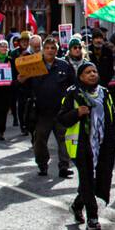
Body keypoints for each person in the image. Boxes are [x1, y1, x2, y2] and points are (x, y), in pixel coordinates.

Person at [57, 61, 115, 230]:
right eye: (88, 72)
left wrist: (114, 138)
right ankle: (93, 217)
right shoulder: (73, 94)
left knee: (97, 179)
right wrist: (77, 113)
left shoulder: (105, 93)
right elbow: (62, 118)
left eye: (94, 71)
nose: (92, 74)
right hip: (81, 144)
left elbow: (112, 117)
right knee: (86, 179)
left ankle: (78, 205)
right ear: (80, 76)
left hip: (101, 144)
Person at [26, 36, 76, 177]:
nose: (49, 50)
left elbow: (74, 85)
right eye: (47, 48)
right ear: (42, 49)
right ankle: (42, 165)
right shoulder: (34, 64)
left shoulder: (64, 65)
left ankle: (64, 166)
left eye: (53, 48)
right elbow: (24, 87)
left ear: (57, 50)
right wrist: (21, 80)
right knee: (40, 141)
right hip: (42, 112)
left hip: (60, 111)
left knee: (64, 140)